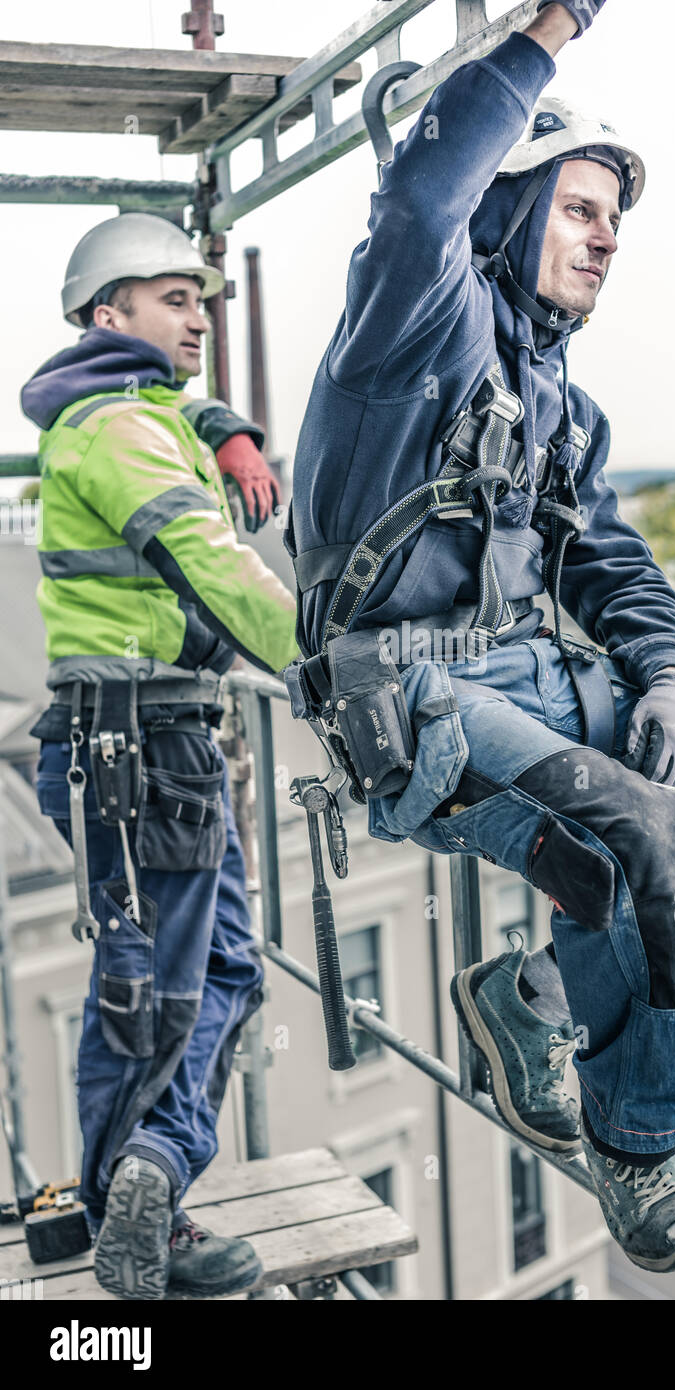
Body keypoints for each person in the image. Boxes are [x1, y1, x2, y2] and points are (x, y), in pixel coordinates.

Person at [286, 0, 675, 1276]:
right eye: (580, 209)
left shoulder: (562, 410)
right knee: (639, 835)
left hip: (525, 682)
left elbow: (608, 559)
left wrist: (661, 673)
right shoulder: (411, 332)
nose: (604, 242)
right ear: (509, 205)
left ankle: (536, 996)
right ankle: (636, 1145)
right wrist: (545, 28)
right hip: (409, 699)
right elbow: (419, 203)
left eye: (613, 223)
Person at [21, 212, 299, 1299]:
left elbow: (175, 413)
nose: (199, 318)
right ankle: (138, 1202)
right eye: (174, 299)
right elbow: (215, 567)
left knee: (213, 970)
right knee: (156, 994)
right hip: (143, 749)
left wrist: (227, 426)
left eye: (203, 300)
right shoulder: (116, 431)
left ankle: (149, 1176)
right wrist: (320, 666)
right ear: (109, 312)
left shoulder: (128, 412)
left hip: (148, 743)